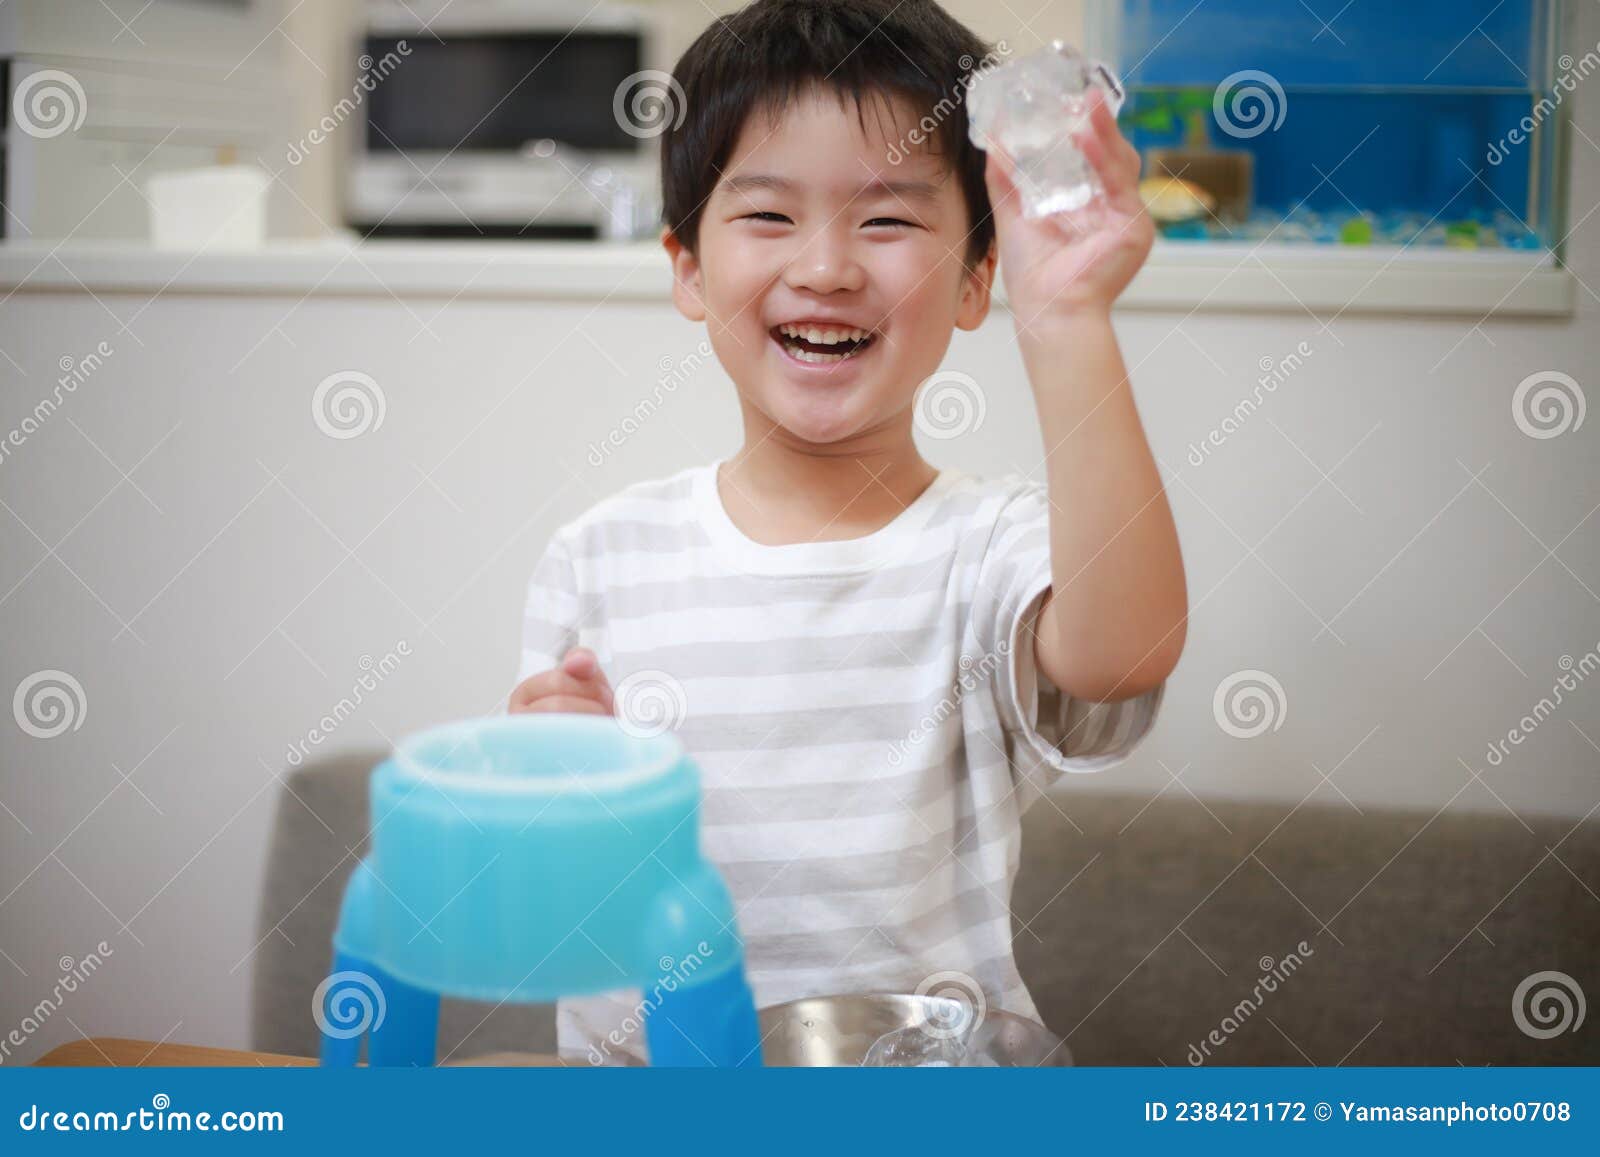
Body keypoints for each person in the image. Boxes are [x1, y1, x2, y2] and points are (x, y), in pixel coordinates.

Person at [508, 0, 1187, 1064]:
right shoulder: (598, 557)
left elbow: (1122, 652)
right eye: (769, 216)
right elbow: (556, 912)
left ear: (975, 278)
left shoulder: (988, 546)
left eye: (887, 220)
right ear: (687, 265)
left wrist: (1068, 321)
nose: (825, 266)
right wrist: (554, 795)